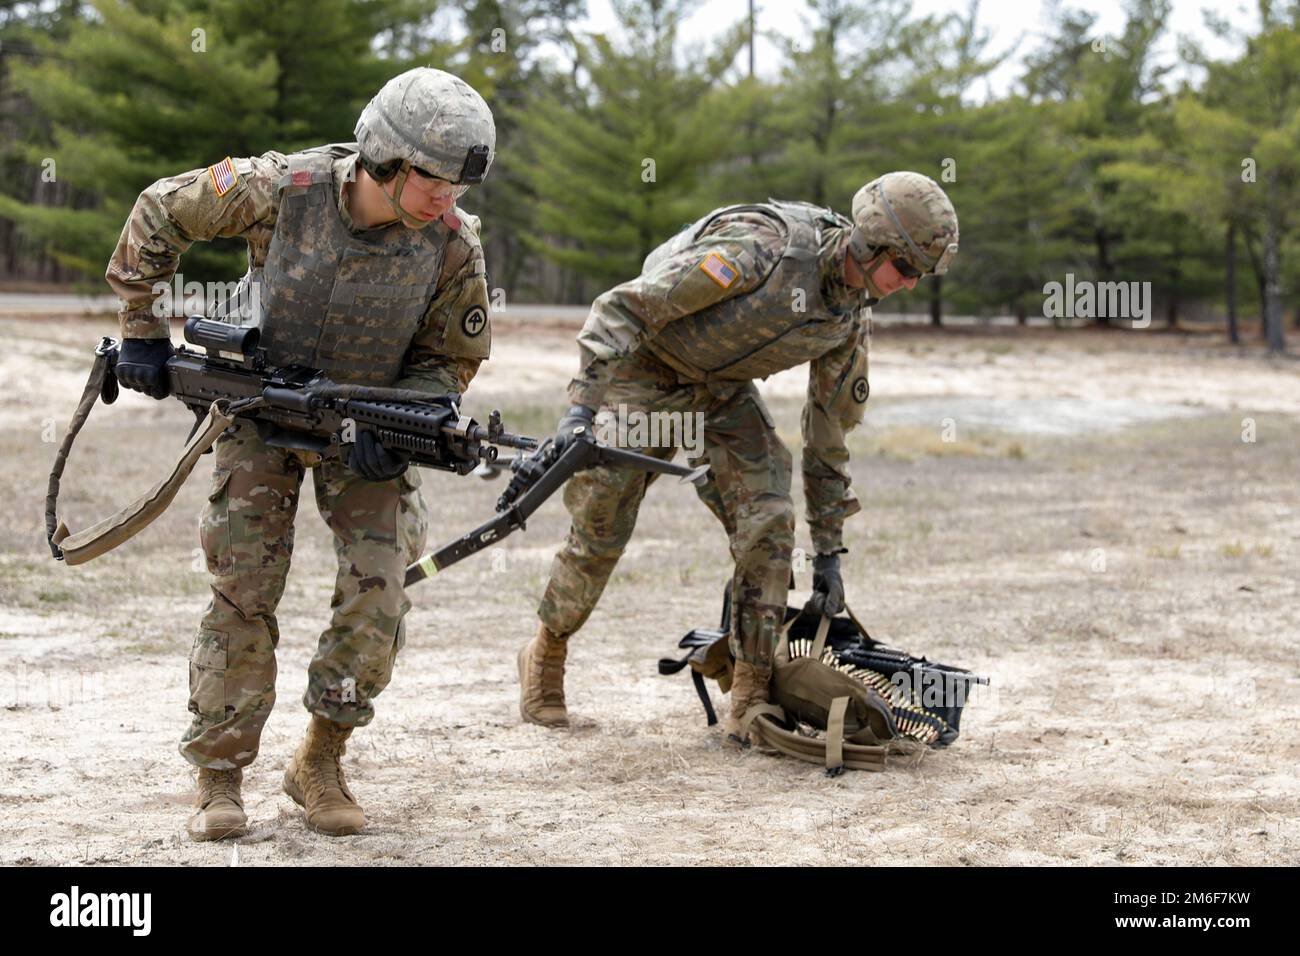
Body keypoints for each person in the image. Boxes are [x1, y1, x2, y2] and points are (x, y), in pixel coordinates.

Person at [105, 68, 496, 839]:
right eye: (434, 181)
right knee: (244, 591)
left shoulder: (454, 244)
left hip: (366, 426)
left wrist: (403, 419)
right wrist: (142, 328)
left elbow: (450, 358)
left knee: (381, 590)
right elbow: (160, 209)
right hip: (258, 408)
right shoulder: (283, 189)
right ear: (385, 160)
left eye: (458, 187)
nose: (446, 200)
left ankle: (319, 757)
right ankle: (219, 774)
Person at [519, 172, 958, 744]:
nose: (909, 284)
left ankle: (750, 693)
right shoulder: (764, 251)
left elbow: (828, 436)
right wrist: (582, 409)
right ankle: (545, 652)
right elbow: (622, 308)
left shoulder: (848, 317)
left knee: (770, 519)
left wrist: (828, 552)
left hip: (721, 391)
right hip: (646, 370)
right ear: (874, 245)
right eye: (905, 269)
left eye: (918, 275)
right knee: (603, 525)